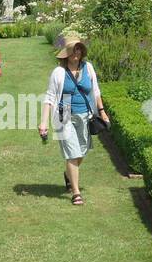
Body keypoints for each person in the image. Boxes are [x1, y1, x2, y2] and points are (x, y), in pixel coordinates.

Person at [38, 35, 109, 205]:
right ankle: (76, 192)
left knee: (81, 152)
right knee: (72, 152)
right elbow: (49, 97)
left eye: (79, 49)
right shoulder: (59, 72)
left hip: (85, 114)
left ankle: (69, 174)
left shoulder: (88, 68)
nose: (76, 52)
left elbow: (96, 91)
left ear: (82, 52)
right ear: (67, 53)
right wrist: (44, 121)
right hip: (65, 113)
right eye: (73, 50)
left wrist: (102, 111)